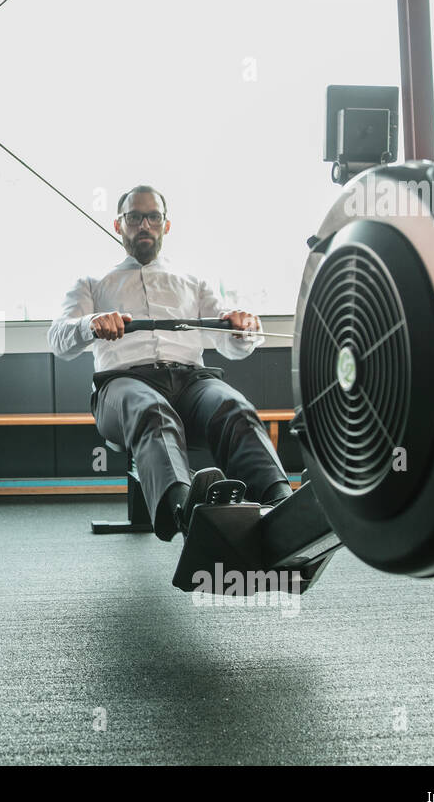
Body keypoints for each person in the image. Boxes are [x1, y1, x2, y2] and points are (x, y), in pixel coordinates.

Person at [48, 184, 292, 540]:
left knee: (233, 407)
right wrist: (90, 324)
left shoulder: (193, 283)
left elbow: (235, 347)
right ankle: (185, 516)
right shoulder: (92, 283)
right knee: (151, 410)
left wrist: (242, 329)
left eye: (153, 217)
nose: (144, 225)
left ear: (166, 225)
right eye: (134, 217)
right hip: (123, 384)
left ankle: (280, 503)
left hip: (193, 382)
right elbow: (59, 341)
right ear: (119, 225)